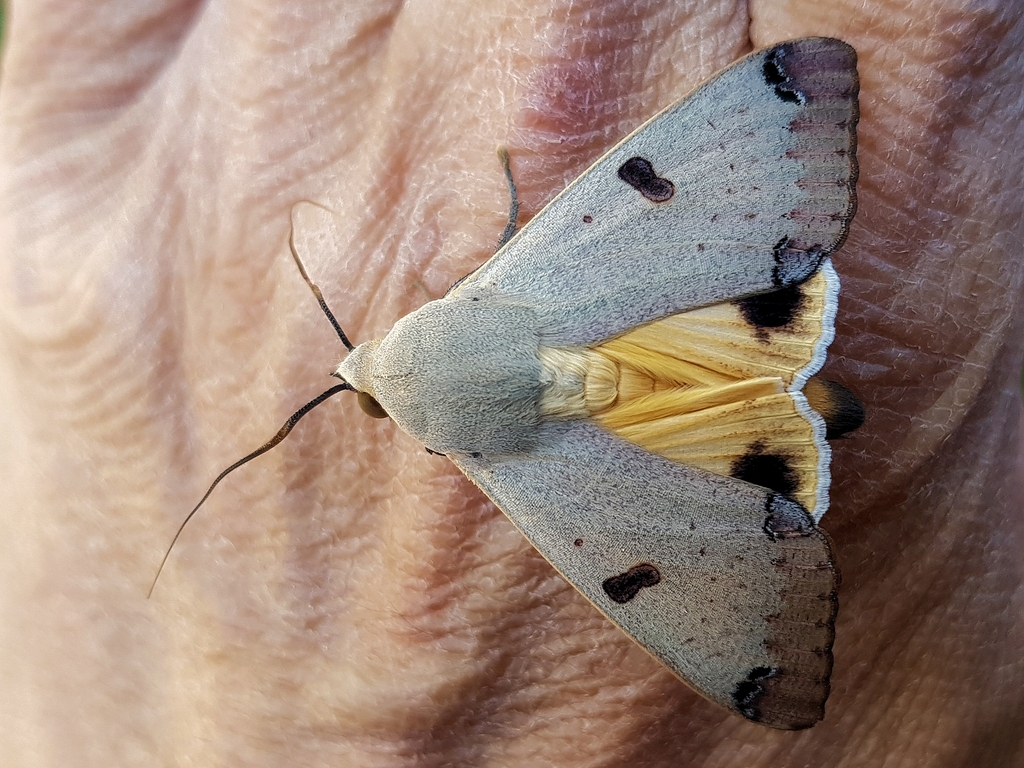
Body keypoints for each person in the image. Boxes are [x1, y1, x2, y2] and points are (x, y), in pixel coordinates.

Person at [0, 1, 1021, 764]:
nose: (361, 370)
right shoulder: (493, 285)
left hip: (658, 467)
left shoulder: (489, 469)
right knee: (704, 224)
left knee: (706, 573)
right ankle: (763, 347)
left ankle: (766, 436)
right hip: (684, 301)